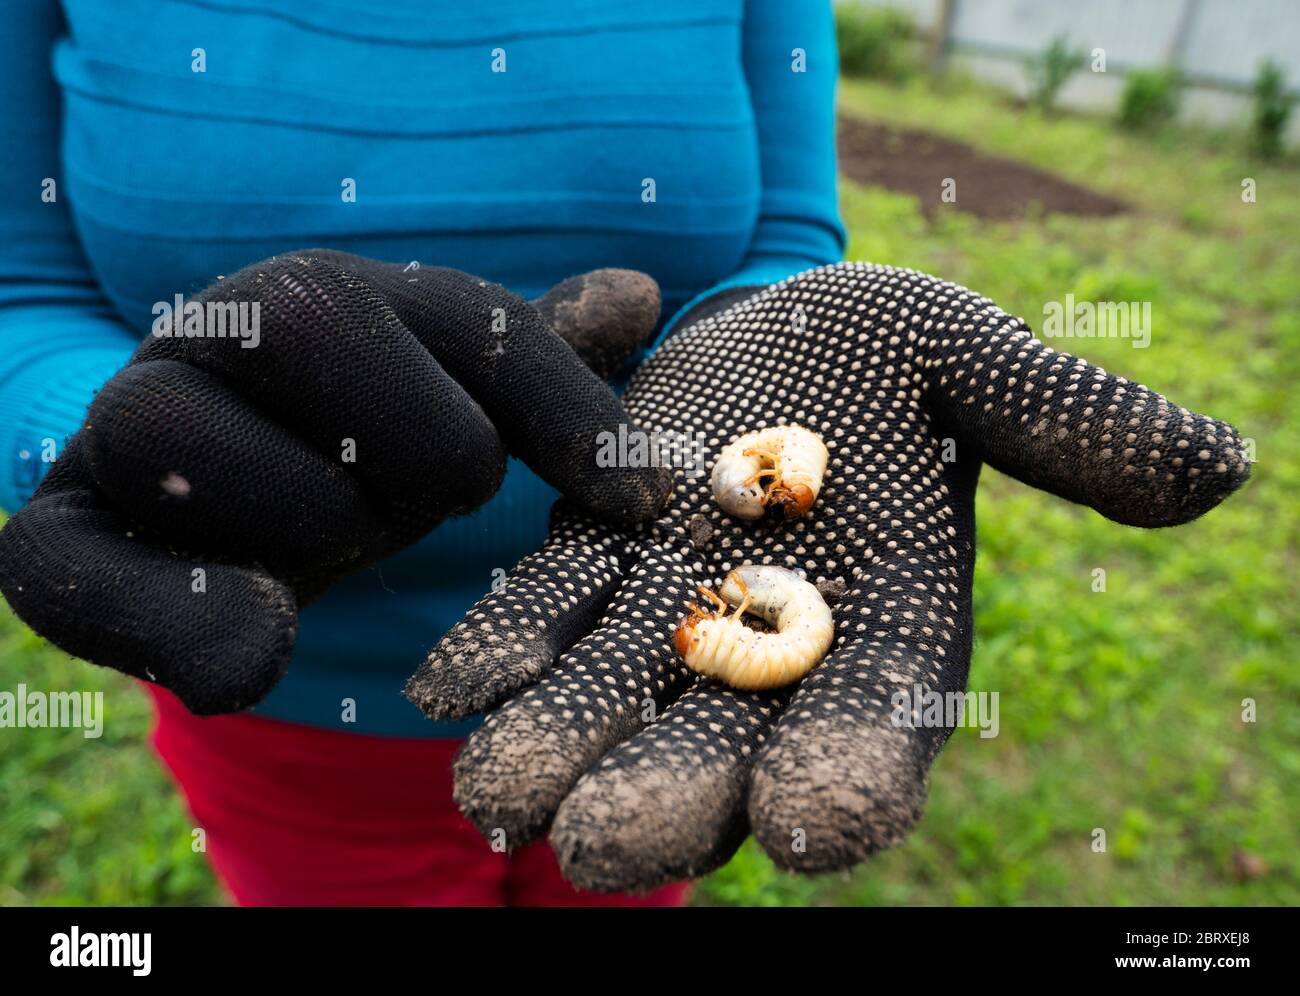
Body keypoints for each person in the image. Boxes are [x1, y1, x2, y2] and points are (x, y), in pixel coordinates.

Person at [0, 1, 844, 905]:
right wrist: (142, 444)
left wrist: (750, 355)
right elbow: (25, 286)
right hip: (298, 704)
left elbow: (787, 235)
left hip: (646, 658)